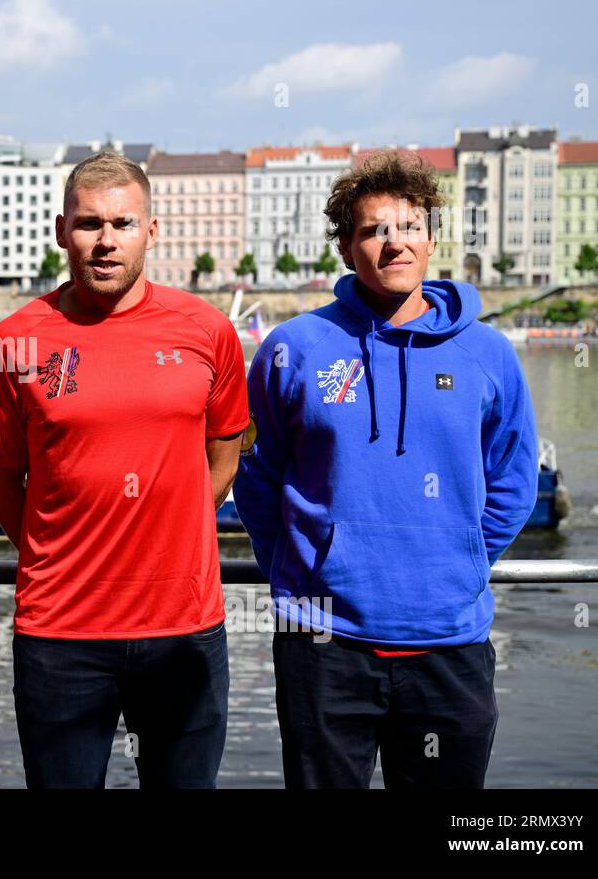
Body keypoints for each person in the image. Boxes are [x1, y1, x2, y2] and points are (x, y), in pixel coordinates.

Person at [234, 148, 538, 789]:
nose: (393, 243)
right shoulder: (293, 349)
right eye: (373, 229)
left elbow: (513, 480)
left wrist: (460, 562)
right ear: (346, 249)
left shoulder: (488, 354)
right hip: (323, 642)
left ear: (431, 240)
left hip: (449, 643)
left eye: (408, 226)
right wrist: (301, 565)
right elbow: (259, 477)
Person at [0, 150, 247, 788]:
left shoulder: (207, 331)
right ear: (62, 230)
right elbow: (1, 477)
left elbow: (223, 453)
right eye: (90, 223)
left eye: (122, 224)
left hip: (183, 627)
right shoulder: (14, 342)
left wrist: (167, 536)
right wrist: (59, 551)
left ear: (151, 231)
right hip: (60, 632)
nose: (105, 241)